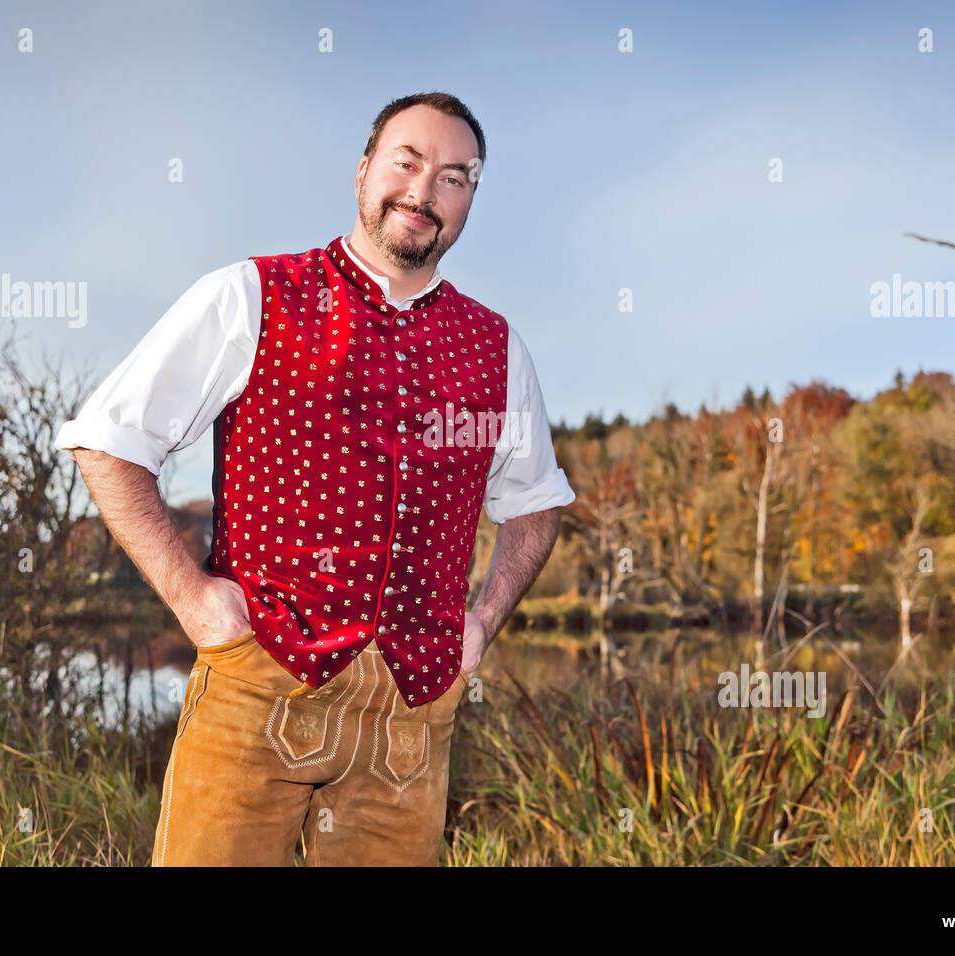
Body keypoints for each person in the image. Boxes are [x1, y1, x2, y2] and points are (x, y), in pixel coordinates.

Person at [55, 91, 575, 866]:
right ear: (365, 172)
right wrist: (195, 602)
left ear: (470, 198)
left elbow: (536, 504)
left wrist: (481, 623)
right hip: (257, 687)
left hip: (412, 716)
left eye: (455, 176)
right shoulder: (252, 295)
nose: (425, 191)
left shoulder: (496, 347)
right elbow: (108, 442)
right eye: (408, 162)